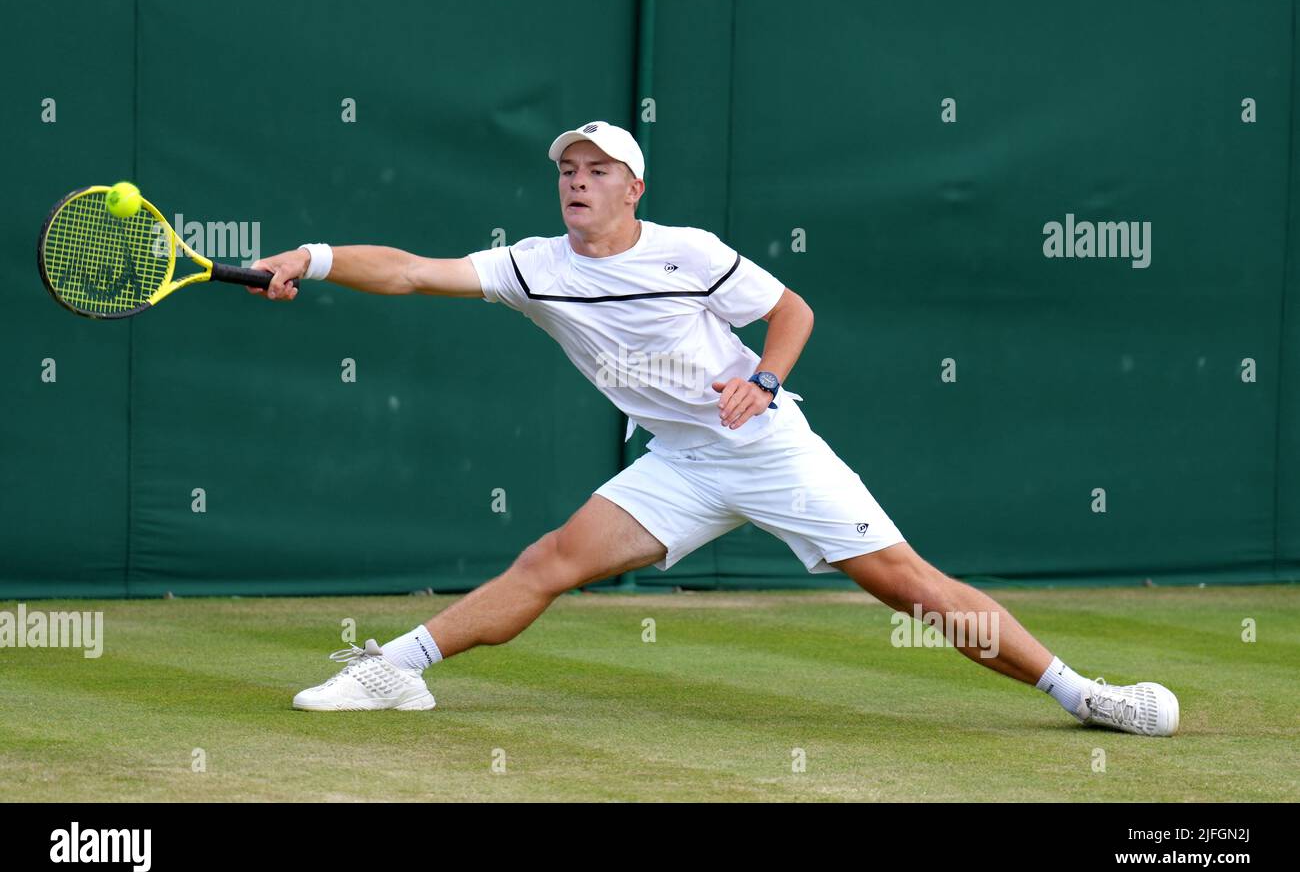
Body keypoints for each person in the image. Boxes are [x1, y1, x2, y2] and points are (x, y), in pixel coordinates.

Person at [250, 120, 1179, 736]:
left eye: (596, 170)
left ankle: (1082, 693)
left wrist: (766, 380)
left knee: (906, 584)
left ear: (634, 188)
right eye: (567, 171)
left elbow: (795, 310)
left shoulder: (688, 251)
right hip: (680, 462)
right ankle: (398, 669)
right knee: (549, 561)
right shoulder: (533, 266)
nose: (577, 181)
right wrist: (315, 256)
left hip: (765, 444)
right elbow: (412, 271)